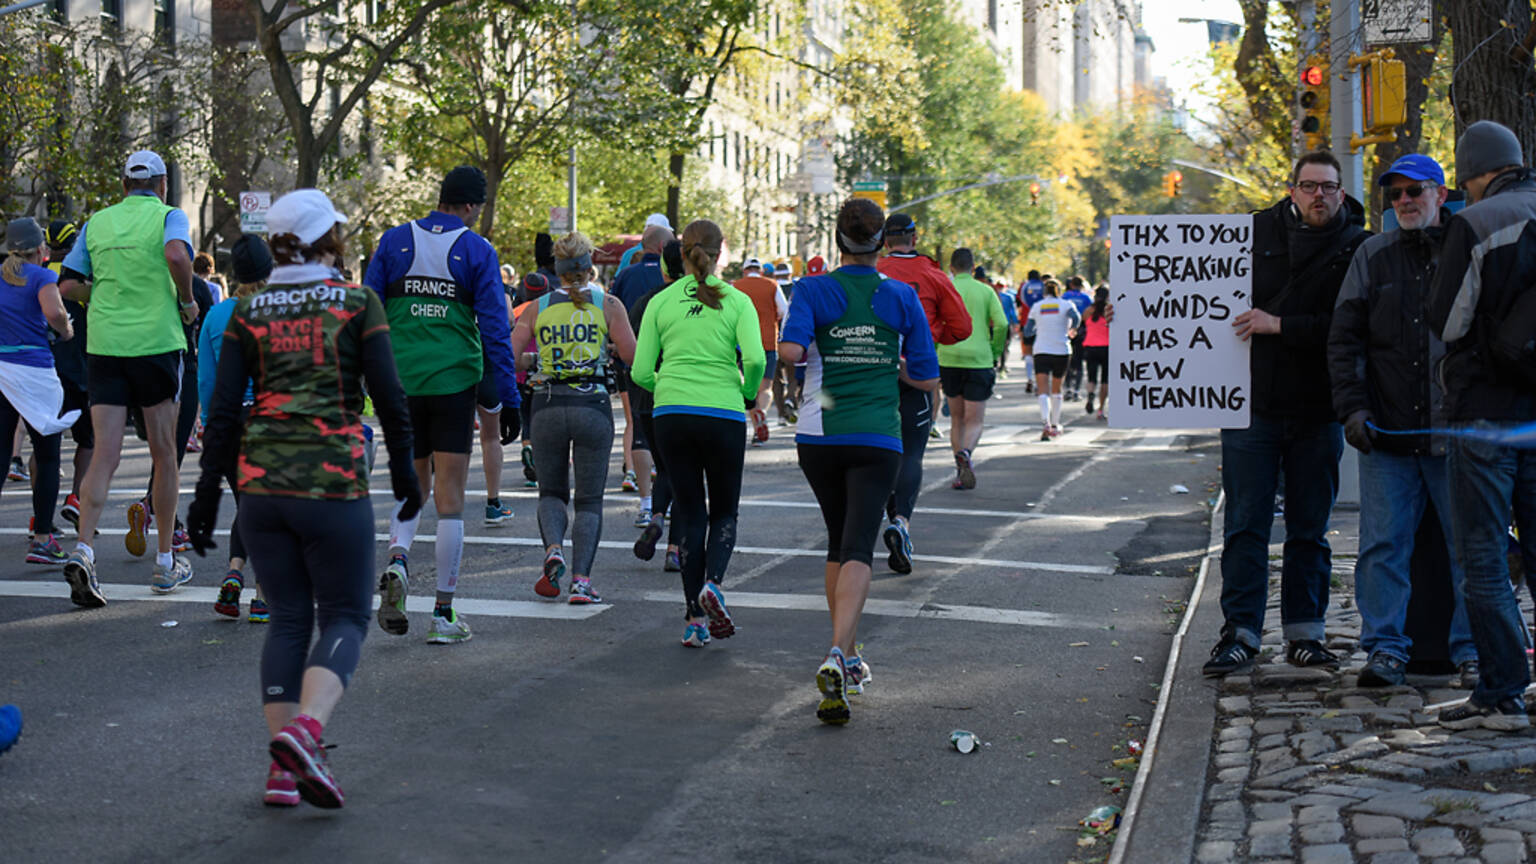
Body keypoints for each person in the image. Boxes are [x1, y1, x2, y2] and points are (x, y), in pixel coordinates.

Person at [186, 187, 420, 808]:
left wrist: (208, 493)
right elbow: (390, 398)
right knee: (344, 615)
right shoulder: (357, 302)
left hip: (260, 487)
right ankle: (305, 731)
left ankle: (282, 773)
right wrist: (405, 475)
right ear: (328, 239)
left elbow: (224, 412)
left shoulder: (247, 312)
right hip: (331, 484)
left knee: (288, 618)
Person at [1202, 150, 1368, 677]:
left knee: (1309, 530)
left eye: (1328, 187)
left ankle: (1306, 634)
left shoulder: (1360, 248)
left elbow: (1356, 327)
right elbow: (1195, 298)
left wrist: (1282, 326)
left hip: (1319, 410)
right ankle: (1241, 633)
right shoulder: (1248, 237)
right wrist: (1133, 306)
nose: (1318, 194)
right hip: (1250, 408)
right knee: (1245, 526)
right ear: (1292, 190)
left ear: (1341, 193)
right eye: (1308, 185)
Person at [780, 198, 938, 723]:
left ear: (839, 240)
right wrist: (887, 360)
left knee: (837, 541)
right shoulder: (901, 295)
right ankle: (836, 654)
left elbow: (790, 352)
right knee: (858, 549)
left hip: (819, 434)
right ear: (880, 242)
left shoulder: (811, 288)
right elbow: (926, 373)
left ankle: (847, 655)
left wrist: (811, 353)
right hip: (876, 436)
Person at [1327, 153, 1476, 690]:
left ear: (1440, 192)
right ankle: (1385, 651)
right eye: (1395, 194)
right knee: (1382, 549)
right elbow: (1344, 340)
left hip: (1454, 433)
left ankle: (1471, 652)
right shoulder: (1373, 255)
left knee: (1469, 550)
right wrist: (1354, 410)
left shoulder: (1469, 244)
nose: (1405, 201)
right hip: (1387, 433)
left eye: (1414, 191)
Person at [364, 165, 520, 644]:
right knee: (451, 501)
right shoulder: (476, 249)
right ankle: (443, 615)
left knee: (415, 487)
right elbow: (495, 326)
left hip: (401, 381)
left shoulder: (392, 241)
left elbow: (366, 310)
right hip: (453, 382)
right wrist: (510, 397)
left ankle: (398, 559)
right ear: (472, 206)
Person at [1426, 121, 1536, 730]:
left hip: (1486, 416)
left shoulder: (1477, 223)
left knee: (1485, 555)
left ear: (1475, 172)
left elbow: (1447, 321)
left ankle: (1502, 689)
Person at [56, 150, 200, 604]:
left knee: (104, 455)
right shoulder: (169, 216)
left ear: (123, 186)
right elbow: (177, 255)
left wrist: (100, 291)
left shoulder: (97, 222)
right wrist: (187, 298)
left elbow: (66, 285)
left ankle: (83, 550)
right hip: (156, 342)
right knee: (164, 453)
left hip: (105, 346)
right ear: (161, 184)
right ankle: (163, 564)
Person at [632, 220, 763, 646]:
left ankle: (694, 621)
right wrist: (744, 393)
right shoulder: (737, 300)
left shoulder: (661, 301)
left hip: (671, 413)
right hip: (723, 411)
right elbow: (757, 360)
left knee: (690, 513)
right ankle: (716, 584)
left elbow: (639, 371)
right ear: (720, 251)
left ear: (682, 252)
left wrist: (667, 390)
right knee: (724, 511)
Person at [512, 231, 635, 605]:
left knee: (550, 492)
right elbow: (633, 356)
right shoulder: (609, 305)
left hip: (547, 406)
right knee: (589, 501)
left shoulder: (538, 307)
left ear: (558, 269)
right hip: (592, 405)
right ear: (590, 267)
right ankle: (581, 581)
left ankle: (553, 548)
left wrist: (538, 360)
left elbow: (510, 356)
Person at [876, 212, 970, 575]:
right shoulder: (933, 275)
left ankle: (874, 521)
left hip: (873, 369)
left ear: (884, 241)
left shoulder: (872, 271)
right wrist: (932, 339)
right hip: (916, 370)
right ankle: (901, 522)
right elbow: (961, 327)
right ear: (914, 239)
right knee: (911, 452)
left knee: (878, 447)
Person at [201, 234, 274, 623]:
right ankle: (261, 596)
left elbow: (208, 381)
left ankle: (233, 573)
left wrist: (210, 424)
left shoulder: (215, 316)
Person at [0, 217, 77, 566]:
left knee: (2, 452)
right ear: (40, 250)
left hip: (1, 372)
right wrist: (66, 330)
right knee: (47, 455)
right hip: (34, 371)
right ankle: (43, 539)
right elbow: (54, 311)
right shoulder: (43, 276)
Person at [612, 222, 673, 520]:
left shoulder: (625, 275)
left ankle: (646, 504)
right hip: (671, 365)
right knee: (668, 433)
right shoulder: (681, 286)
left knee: (636, 425)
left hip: (632, 362)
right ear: (663, 249)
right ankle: (669, 500)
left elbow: (610, 310)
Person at [631, 239, 686, 570]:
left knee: (666, 468)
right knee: (684, 475)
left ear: (663, 267)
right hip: (684, 396)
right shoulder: (703, 299)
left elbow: (635, 353)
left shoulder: (646, 302)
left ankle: (655, 514)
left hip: (648, 398)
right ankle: (674, 550)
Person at [937, 248, 1006, 489]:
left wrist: (936, 349)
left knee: (957, 418)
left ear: (952, 267)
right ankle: (966, 453)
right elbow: (1002, 324)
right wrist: (995, 351)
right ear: (973, 267)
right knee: (974, 419)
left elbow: (934, 323)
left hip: (948, 357)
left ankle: (959, 470)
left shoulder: (945, 288)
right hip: (979, 359)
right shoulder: (986, 291)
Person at [45, 220, 91, 533]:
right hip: (81, 370)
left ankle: (41, 515)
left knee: (45, 446)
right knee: (89, 441)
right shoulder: (81, 277)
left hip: (45, 371)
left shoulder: (39, 274)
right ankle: (77, 498)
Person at [732, 257, 788, 445]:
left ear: (745, 270)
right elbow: (783, 310)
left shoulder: (735, 286)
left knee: (750, 386)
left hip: (744, 342)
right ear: (760, 270)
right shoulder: (772, 285)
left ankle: (757, 424)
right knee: (766, 387)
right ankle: (762, 414)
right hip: (768, 342)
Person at [1022, 279, 1080, 440]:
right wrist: (1072, 330)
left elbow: (1027, 331)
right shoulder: (1066, 304)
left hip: (1041, 350)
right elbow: (1076, 318)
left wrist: (1037, 331)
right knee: (1057, 388)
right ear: (1059, 291)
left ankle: (1045, 423)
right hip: (1061, 350)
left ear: (1044, 292)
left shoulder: (1037, 306)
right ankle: (1055, 424)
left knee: (1042, 389)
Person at [1082, 286, 1111, 420]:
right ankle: (1101, 409)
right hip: (1106, 347)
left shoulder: (1088, 311)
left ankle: (1090, 394)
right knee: (1105, 379)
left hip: (1090, 346)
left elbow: (1082, 324)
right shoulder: (1110, 311)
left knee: (1091, 376)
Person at [1017, 269, 1045, 389]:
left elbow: (1019, 302)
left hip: (1026, 320)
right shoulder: (1044, 286)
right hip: (1041, 322)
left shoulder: (1024, 286)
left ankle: (1029, 378)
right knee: (1040, 352)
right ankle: (1040, 381)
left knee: (1028, 352)